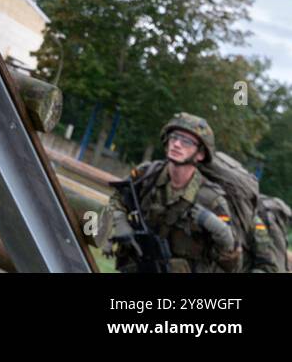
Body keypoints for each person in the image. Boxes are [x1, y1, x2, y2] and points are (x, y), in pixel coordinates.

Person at [102, 113, 240, 273]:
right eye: (174, 137)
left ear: (201, 154)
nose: (177, 144)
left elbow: (232, 265)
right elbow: (118, 199)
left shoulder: (212, 199)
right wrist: (120, 222)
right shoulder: (146, 175)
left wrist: (222, 233)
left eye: (187, 142)